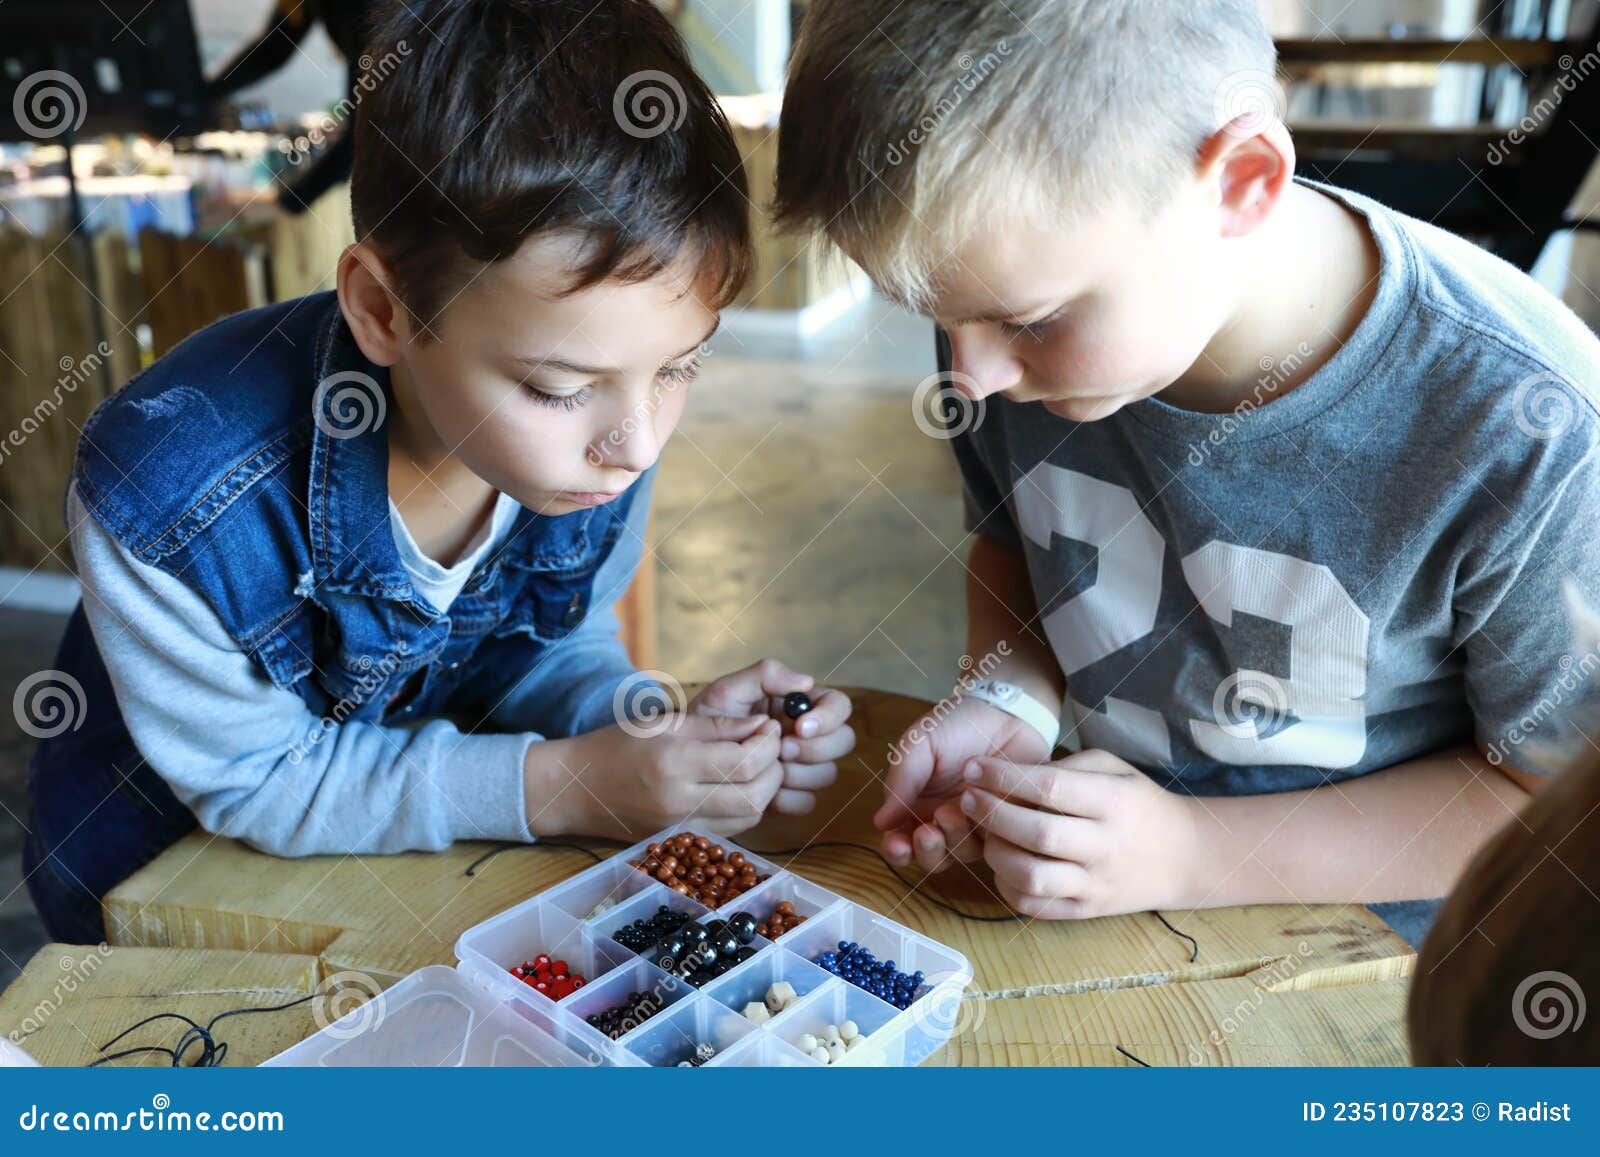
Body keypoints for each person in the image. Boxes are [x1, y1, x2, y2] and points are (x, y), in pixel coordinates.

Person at [24, 0, 854, 945]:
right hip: (165, 896)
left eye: (679, 367)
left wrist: (650, 736)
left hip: (400, 874)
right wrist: (569, 782)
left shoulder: (600, 437)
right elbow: (260, 780)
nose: (637, 443)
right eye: (554, 387)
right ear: (382, 309)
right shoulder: (167, 492)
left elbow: (551, 642)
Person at [773, 0, 1600, 947]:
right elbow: (1014, 538)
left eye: (1030, 319)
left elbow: (1555, 805)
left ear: (1241, 184)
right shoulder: (994, 310)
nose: (973, 378)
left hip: (1386, 971)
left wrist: (1193, 852)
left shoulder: (1533, 428)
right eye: (934, 315)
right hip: (1122, 908)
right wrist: (1009, 697)